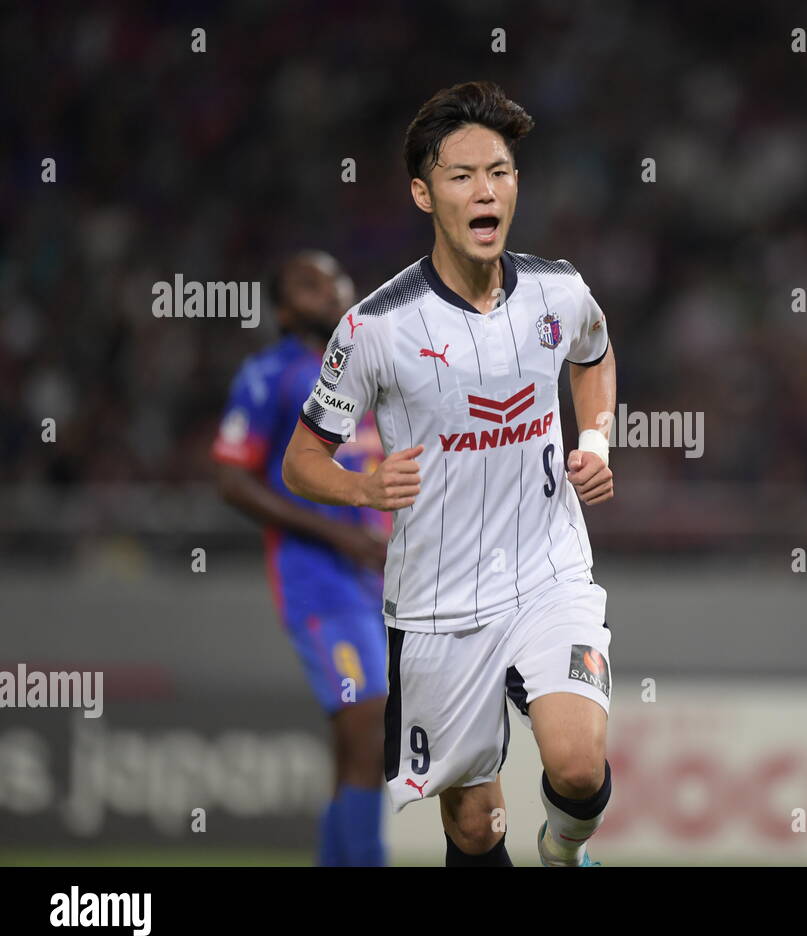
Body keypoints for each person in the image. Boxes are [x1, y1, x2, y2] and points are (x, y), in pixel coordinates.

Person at [282, 81, 618, 867]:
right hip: (437, 601)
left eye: (499, 172)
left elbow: (594, 354)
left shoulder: (558, 291)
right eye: (462, 175)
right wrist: (362, 488)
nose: (484, 190)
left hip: (548, 573)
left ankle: (563, 853)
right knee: (474, 830)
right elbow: (302, 460)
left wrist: (596, 441)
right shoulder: (375, 328)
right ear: (423, 193)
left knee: (576, 764)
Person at [212, 251, 390, 866]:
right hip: (319, 583)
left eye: (336, 277)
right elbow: (232, 480)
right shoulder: (272, 375)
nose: (330, 287)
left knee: (354, 748)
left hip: (378, 583)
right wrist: (339, 536)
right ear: (286, 311)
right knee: (370, 725)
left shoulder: (366, 373)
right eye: (308, 284)